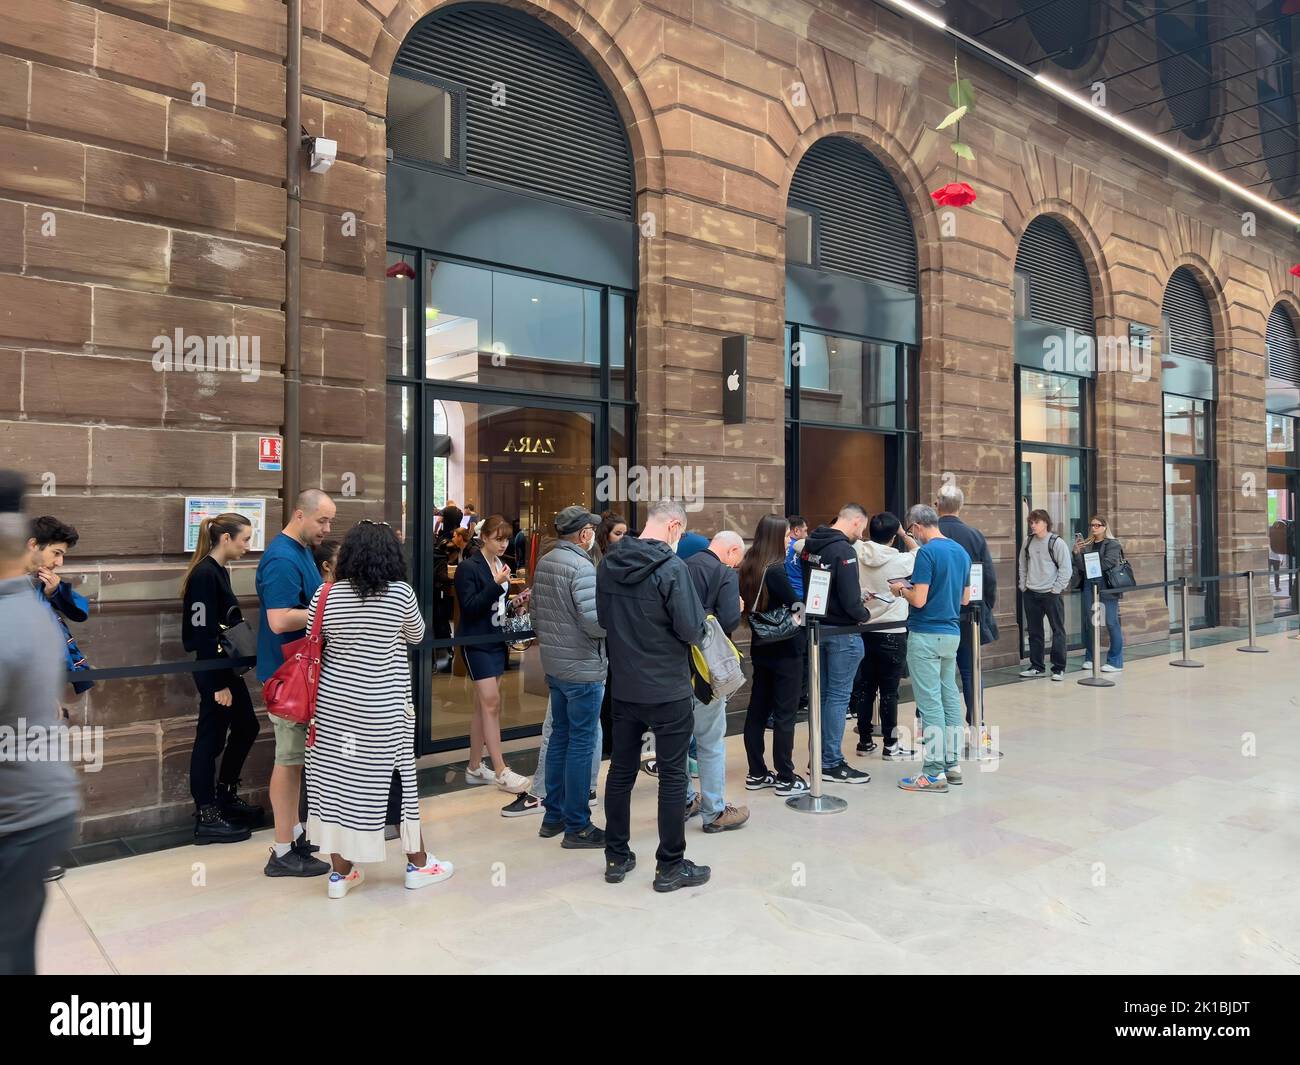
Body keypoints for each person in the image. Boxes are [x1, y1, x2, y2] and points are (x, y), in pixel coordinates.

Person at [304, 520, 453, 898]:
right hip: (384, 706)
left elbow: (312, 639)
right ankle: (418, 864)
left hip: (334, 710)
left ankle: (339, 873)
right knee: (400, 785)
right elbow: (417, 636)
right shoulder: (401, 594)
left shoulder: (325, 595)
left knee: (336, 785)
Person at [597, 498, 710, 891]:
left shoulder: (608, 563)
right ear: (675, 526)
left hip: (625, 685)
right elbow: (692, 629)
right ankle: (670, 866)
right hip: (668, 687)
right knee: (673, 775)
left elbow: (604, 619)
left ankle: (616, 856)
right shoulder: (673, 568)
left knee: (621, 772)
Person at [0, 471, 79, 975]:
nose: (57, 562)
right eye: (55, 553)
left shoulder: (28, 607)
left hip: (19, 818)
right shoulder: (27, 607)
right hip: (43, 809)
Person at [256, 488, 335, 878]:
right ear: (299, 516)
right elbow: (278, 619)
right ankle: (283, 850)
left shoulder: (299, 551)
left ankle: (295, 835)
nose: (327, 528)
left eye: (330, 521)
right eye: (322, 520)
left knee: (295, 762)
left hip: (298, 674)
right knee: (287, 762)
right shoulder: (283, 557)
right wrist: (327, 612)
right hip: (287, 678)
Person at [523, 506, 607, 846]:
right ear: (584, 535)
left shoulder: (546, 562)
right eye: (592, 531)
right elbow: (594, 622)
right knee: (581, 745)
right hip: (583, 668)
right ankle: (578, 826)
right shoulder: (581, 567)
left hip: (556, 666)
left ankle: (553, 815)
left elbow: (537, 615)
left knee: (560, 737)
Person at [181, 513, 263, 844]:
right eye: (245, 539)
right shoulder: (204, 574)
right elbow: (201, 631)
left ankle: (224, 796)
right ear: (225, 538)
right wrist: (218, 684)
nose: (248, 546)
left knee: (246, 727)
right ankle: (207, 815)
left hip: (222, 668)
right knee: (210, 740)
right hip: (213, 670)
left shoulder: (216, 571)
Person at [27, 515, 92, 883]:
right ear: (32, 546)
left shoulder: (39, 583)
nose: (59, 563)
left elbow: (78, 610)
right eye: (55, 553)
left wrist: (56, 592)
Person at [891, 505, 970, 793]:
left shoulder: (927, 553)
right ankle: (952, 765)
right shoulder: (961, 552)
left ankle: (933, 772)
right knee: (949, 697)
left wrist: (901, 589)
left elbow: (919, 600)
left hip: (926, 634)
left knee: (930, 704)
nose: (913, 535)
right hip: (952, 634)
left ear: (918, 526)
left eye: (911, 530)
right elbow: (965, 599)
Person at [454, 514, 531, 793]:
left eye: (506, 538)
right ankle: (501, 769)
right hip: (477, 642)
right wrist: (496, 585)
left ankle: (475, 766)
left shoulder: (500, 565)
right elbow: (471, 606)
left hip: (497, 639)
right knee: (490, 703)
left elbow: (496, 604)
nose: (503, 544)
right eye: (498, 538)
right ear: (484, 537)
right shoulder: (469, 568)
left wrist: (516, 603)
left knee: (484, 706)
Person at [799, 504, 872, 784]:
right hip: (842, 632)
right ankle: (830, 761)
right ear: (854, 521)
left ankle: (818, 757)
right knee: (838, 698)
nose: (860, 533)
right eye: (861, 527)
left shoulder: (810, 545)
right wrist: (863, 613)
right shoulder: (843, 551)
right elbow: (850, 598)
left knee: (823, 696)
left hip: (819, 628)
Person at [684, 530, 749, 832]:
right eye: (738, 558)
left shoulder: (682, 564)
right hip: (707, 670)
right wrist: (736, 607)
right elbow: (729, 622)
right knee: (710, 740)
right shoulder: (723, 573)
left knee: (678, 740)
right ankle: (714, 811)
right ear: (732, 550)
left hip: (676, 667)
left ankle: (685, 800)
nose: (737, 565)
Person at [740, 515, 807, 796]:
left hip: (760, 645)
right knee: (784, 713)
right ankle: (785, 776)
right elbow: (796, 604)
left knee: (757, 709)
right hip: (786, 648)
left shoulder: (747, 565)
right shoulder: (776, 569)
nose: (789, 539)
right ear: (775, 537)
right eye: (785, 535)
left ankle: (756, 772)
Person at [851, 513, 918, 760]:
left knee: (866, 688)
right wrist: (904, 533)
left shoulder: (857, 551)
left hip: (863, 629)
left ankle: (865, 740)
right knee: (889, 690)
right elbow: (919, 552)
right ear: (893, 536)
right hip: (892, 631)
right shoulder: (900, 560)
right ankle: (891, 745)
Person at [935, 485, 998, 725]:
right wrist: (984, 607)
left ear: (937, 505)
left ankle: (935, 725)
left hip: (938, 615)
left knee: (937, 673)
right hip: (969, 613)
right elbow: (989, 576)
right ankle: (976, 720)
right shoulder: (974, 535)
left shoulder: (930, 533)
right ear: (961, 506)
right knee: (971, 671)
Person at [1018, 508, 1071, 681]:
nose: (1033, 525)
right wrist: (1023, 585)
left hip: (1051, 594)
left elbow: (1066, 569)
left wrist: (1056, 589)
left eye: (1036, 522)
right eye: (1031, 522)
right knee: (1034, 632)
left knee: (1057, 631)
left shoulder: (1056, 542)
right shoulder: (1028, 542)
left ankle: (1059, 668)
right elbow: (1022, 565)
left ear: (1045, 523)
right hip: (1031, 593)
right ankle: (1037, 666)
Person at [1073, 514, 1125, 672]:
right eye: (1092, 525)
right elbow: (1081, 567)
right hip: (1090, 584)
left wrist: (1090, 563)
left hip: (1106, 585)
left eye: (1097, 525)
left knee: (1110, 622)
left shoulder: (1113, 544)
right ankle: (1090, 657)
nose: (1094, 528)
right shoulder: (1087, 544)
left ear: (1104, 527)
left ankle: (1115, 661)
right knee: (1091, 623)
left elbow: (1108, 562)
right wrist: (1077, 553)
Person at [784, 515, 807, 599]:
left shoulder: (781, 547)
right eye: (805, 531)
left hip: (785, 594)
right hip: (800, 594)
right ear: (796, 531)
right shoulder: (804, 548)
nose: (807, 535)